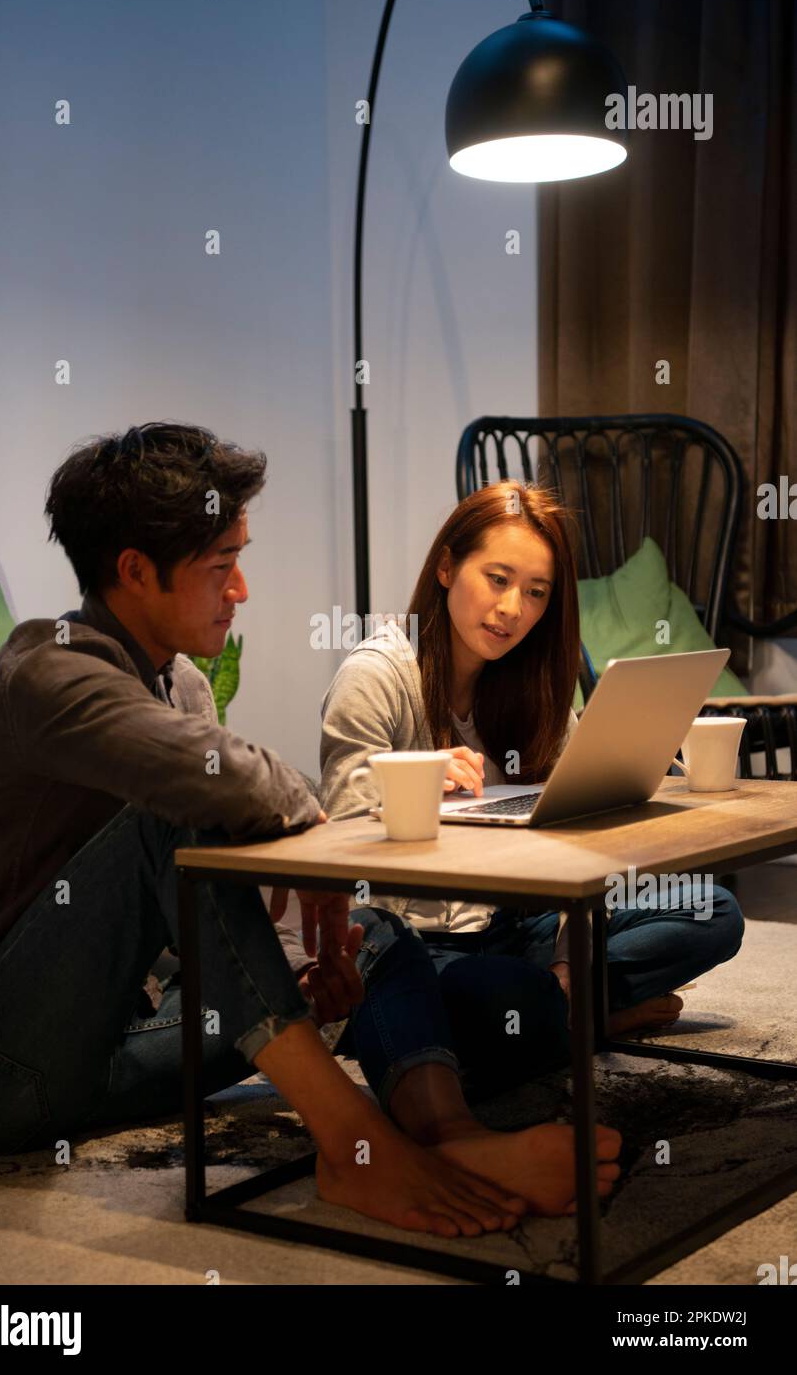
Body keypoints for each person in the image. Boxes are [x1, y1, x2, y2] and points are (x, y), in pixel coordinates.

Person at [0, 422, 590, 1239]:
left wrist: (299, 963)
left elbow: (175, 910)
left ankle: (446, 1139)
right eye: (220, 567)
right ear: (135, 572)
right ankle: (353, 1143)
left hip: (113, 1035)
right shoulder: (48, 669)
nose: (240, 591)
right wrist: (308, 847)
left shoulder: (178, 685)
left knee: (371, 931)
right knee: (164, 830)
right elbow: (231, 779)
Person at [318, 480, 744, 1194]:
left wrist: (633, 768)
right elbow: (338, 834)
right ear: (447, 567)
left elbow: (578, 775)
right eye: (498, 580)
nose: (513, 609)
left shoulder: (525, 676)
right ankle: (578, 1010)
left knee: (711, 912)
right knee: (501, 994)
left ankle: (565, 1002)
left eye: (537, 592)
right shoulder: (376, 675)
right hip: (421, 939)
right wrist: (420, 777)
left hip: (515, 916)